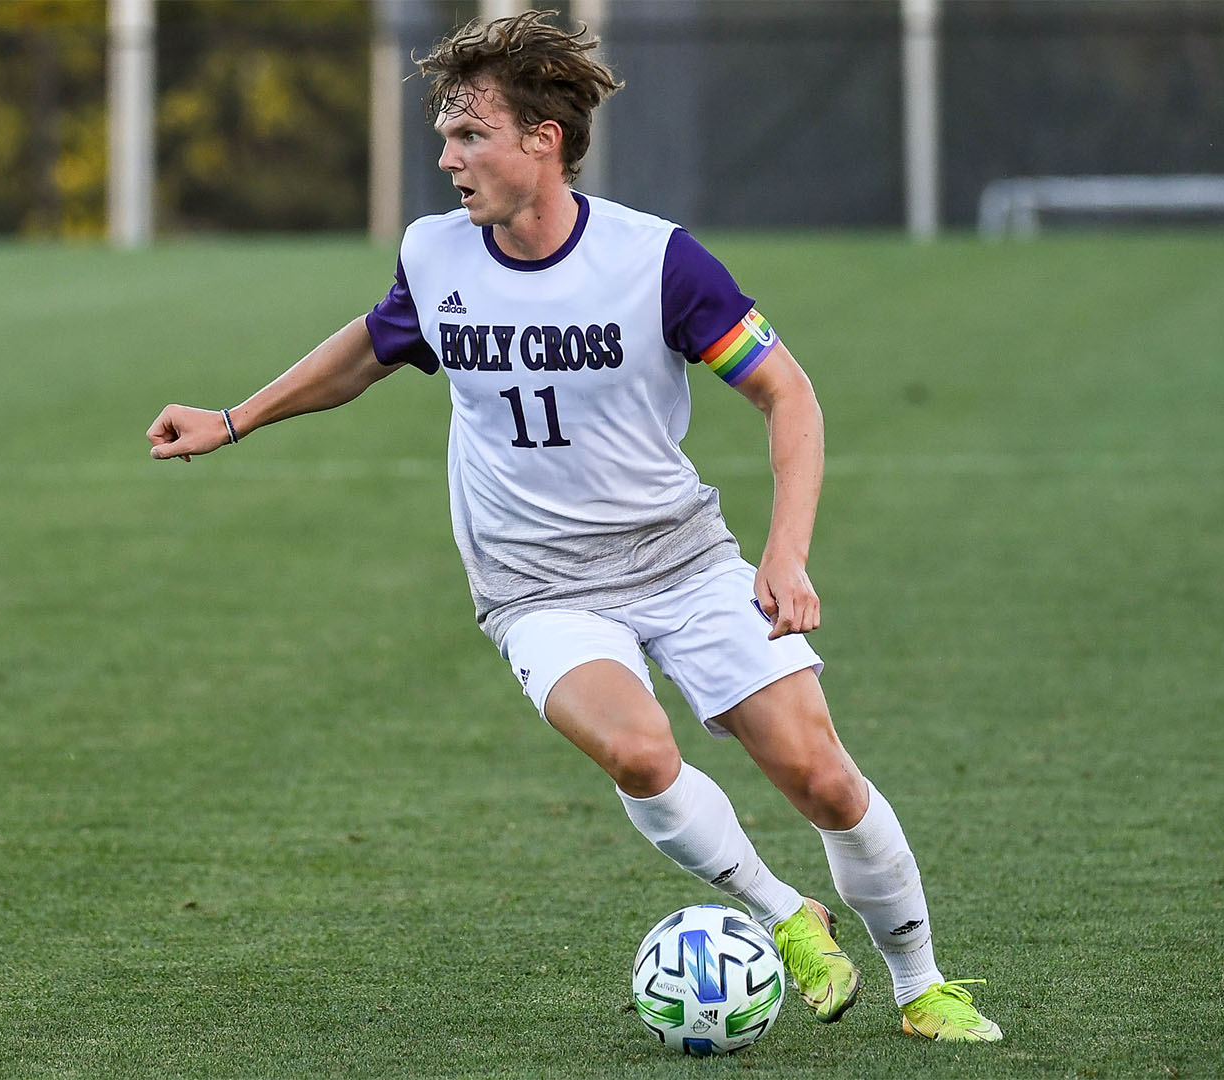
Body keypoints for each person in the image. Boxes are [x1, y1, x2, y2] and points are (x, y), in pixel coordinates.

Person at [147, 10, 999, 1043]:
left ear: (542, 141)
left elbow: (791, 398)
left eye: (470, 134)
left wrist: (785, 553)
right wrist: (233, 419)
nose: (447, 157)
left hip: (680, 558)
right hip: (536, 587)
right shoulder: (437, 257)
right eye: (444, 135)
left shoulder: (659, 262)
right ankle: (786, 918)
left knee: (821, 776)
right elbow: (369, 350)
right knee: (640, 754)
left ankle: (921, 987)